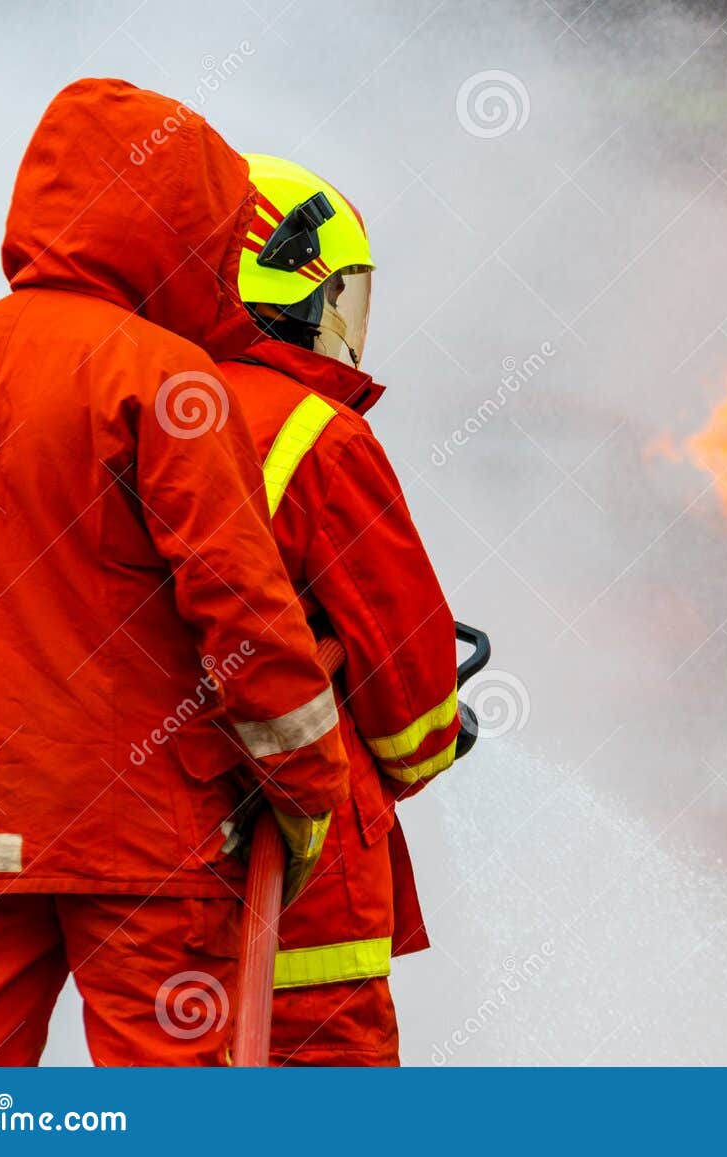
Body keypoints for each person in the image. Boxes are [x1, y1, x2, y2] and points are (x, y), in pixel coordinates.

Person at [0, 80, 350, 1067]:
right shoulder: (165, 378)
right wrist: (305, 782)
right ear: (180, 228)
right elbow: (239, 606)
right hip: (144, 834)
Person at [221, 154, 463, 1065]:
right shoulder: (320, 436)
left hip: (148, 889)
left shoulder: (136, 401)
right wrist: (427, 744)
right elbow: (410, 679)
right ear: (305, 290)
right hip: (304, 882)